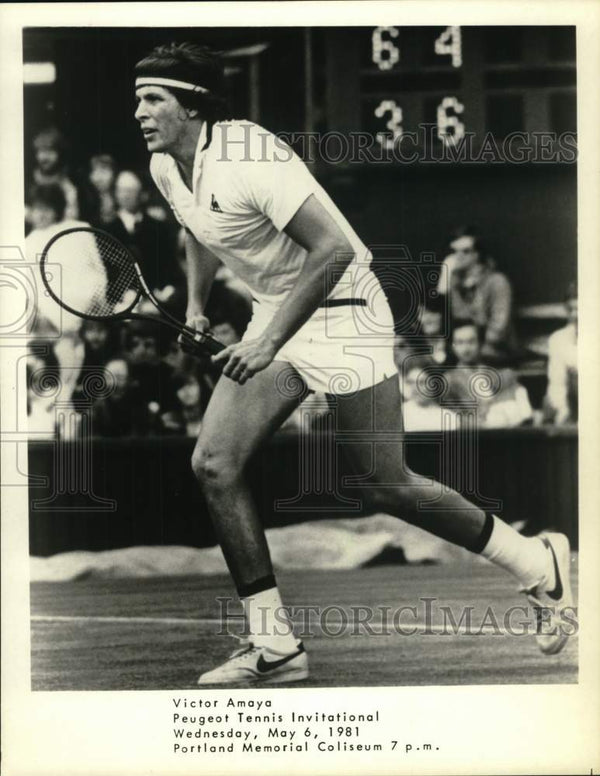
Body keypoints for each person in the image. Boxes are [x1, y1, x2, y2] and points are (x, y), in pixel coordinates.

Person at [134, 42, 574, 684]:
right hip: (277, 312)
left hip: (345, 310)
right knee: (214, 463)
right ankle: (275, 646)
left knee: (383, 481)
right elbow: (197, 230)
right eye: (138, 99)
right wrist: (198, 305)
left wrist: (266, 340)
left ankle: (537, 561)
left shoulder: (249, 158)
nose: (140, 112)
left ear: (193, 106)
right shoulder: (164, 165)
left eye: (154, 99)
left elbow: (334, 249)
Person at [438, 226, 517, 365]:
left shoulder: (497, 281)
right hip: (464, 348)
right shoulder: (455, 282)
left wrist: (470, 349)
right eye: (454, 251)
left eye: (466, 251)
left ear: (477, 254)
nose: (458, 256)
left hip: (496, 351)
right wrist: (445, 278)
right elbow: (456, 321)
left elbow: (499, 329)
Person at [446, 321, 533, 428]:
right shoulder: (449, 380)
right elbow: (452, 416)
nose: (466, 349)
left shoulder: (499, 374)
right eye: (460, 343)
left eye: (471, 342)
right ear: (452, 347)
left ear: (481, 344)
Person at [545, 282, 577, 425]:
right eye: (571, 309)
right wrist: (563, 412)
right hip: (572, 410)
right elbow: (557, 384)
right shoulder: (558, 339)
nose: (575, 315)